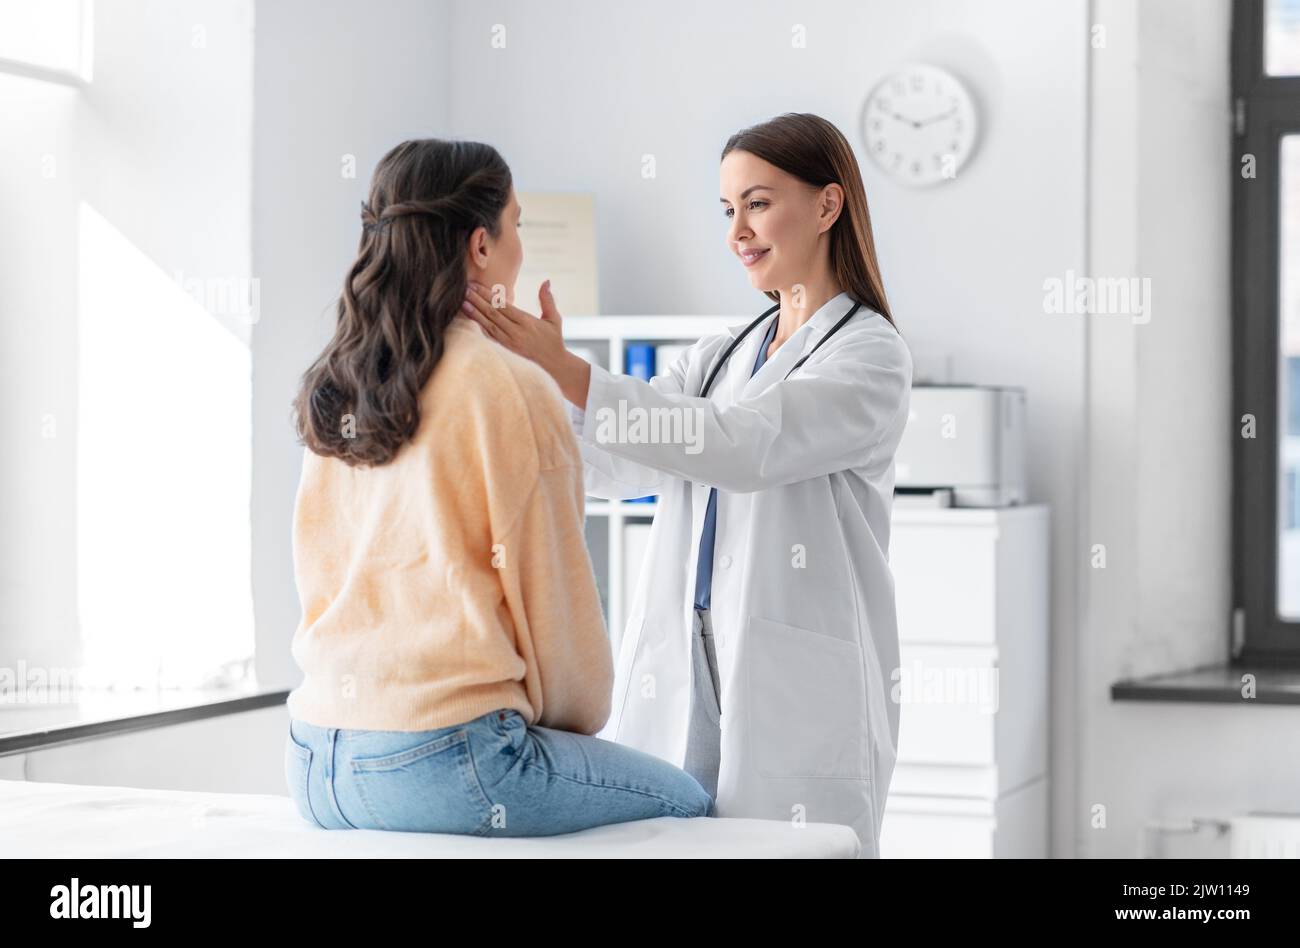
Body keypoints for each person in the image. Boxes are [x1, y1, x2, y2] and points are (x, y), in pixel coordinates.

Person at [462, 113, 913, 858]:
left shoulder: (870, 355)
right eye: (729, 209)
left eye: (759, 203)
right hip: (686, 666)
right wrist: (520, 383)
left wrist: (567, 368)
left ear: (828, 206)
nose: (738, 230)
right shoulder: (720, 353)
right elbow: (619, 463)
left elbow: (742, 445)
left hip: (790, 679)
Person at [283, 138, 712, 837]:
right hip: (444, 762)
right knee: (692, 808)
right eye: (517, 226)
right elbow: (562, 624)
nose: (520, 247)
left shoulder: (339, 378)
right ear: (481, 247)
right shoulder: (506, 385)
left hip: (314, 757)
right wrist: (575, 725)